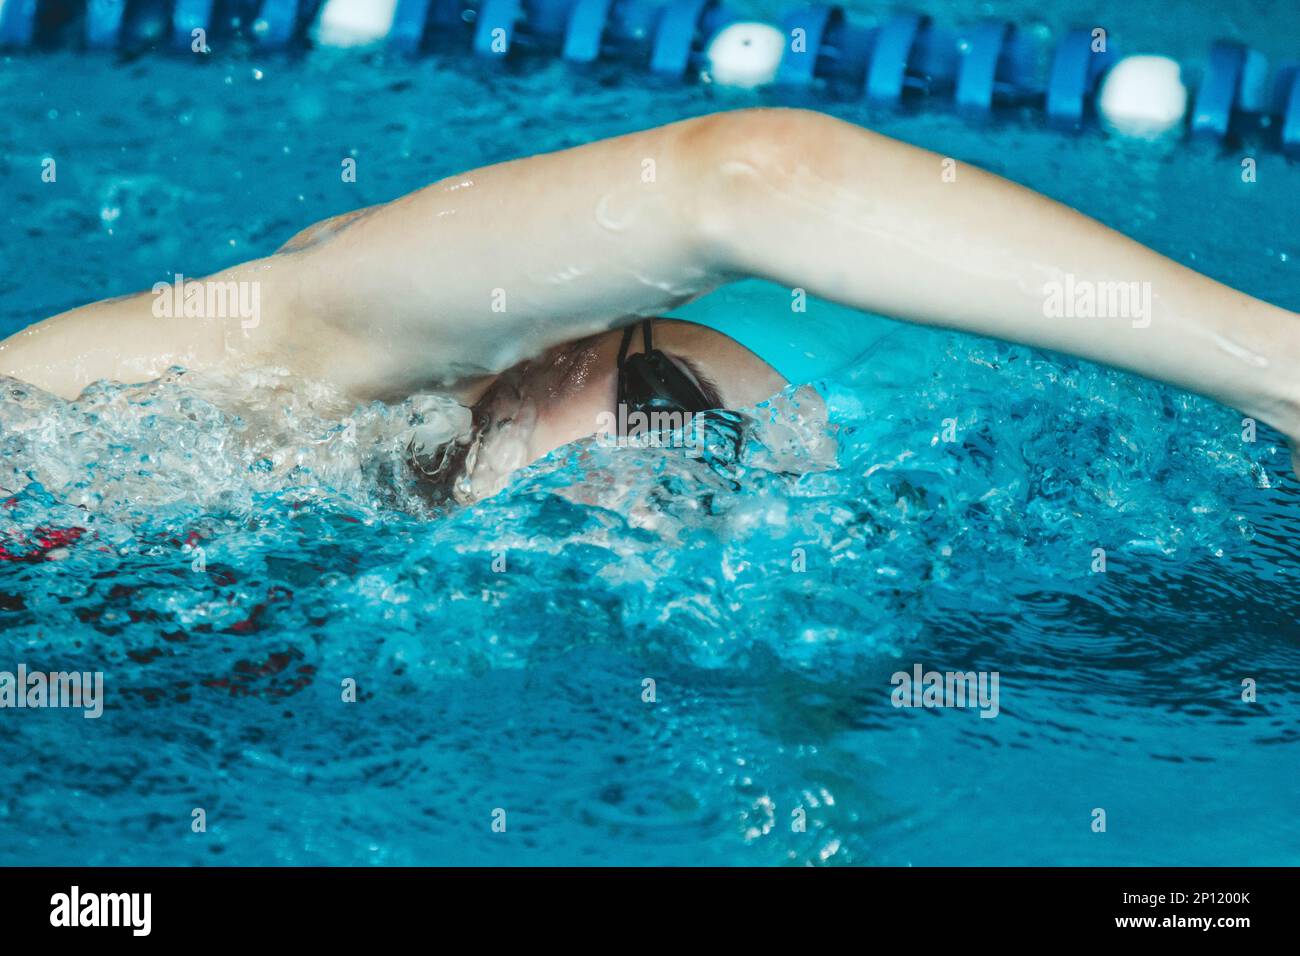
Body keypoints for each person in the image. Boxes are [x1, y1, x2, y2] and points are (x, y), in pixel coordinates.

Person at [2, 107, 1296, 500]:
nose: (653, 473)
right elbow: (745, 181)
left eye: (719, 459)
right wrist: (1272, 368)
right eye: (662, 397)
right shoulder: (287, 365)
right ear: (537, 336)